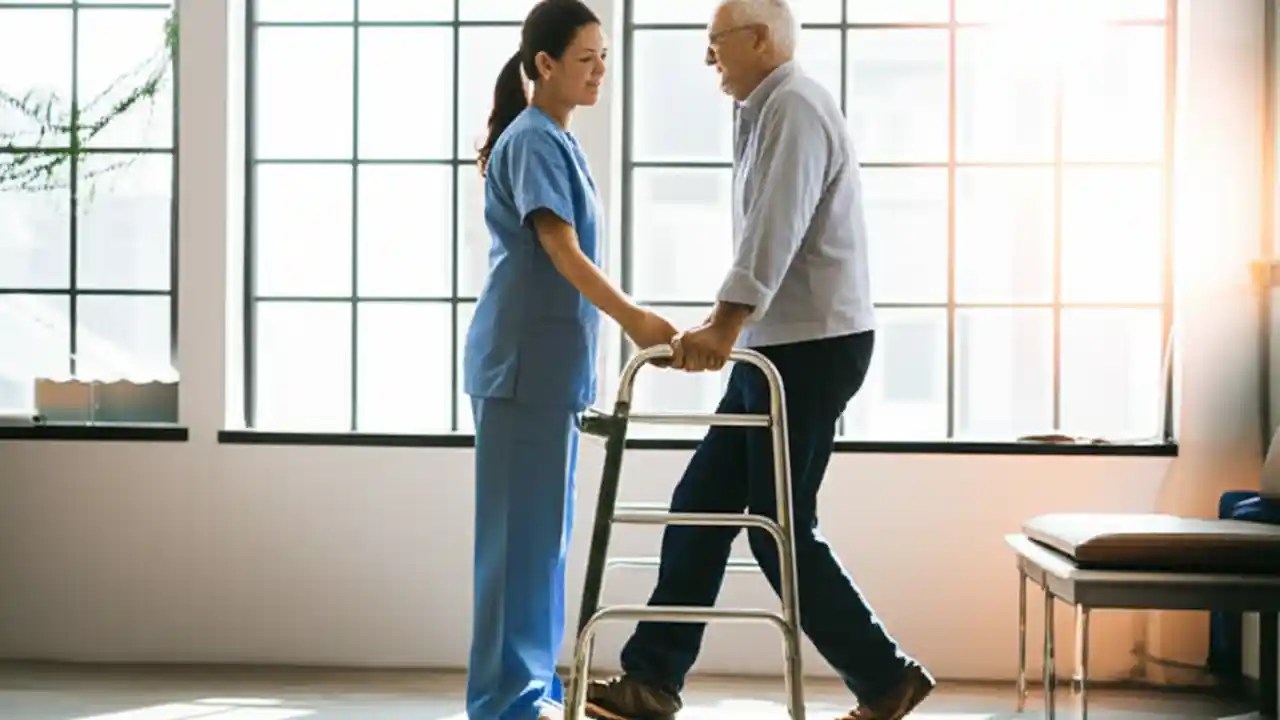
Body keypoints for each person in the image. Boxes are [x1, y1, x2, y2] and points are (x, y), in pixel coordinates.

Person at [583, 1, 935, 719]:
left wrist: (724, 323)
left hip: (811, 345)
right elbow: (765, 231)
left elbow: (777, 223)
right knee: (704, 505)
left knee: (779, 525)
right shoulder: (763, 107)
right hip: (778, 344)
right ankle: (652, 680)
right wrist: (732, 330)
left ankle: (884, 675)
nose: (709, 59)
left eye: (716, 44)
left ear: (759, 39)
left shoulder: (796, 106)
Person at [463, 2, 678, 719]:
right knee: (516, 546)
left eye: (604, 57)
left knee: (542, 544)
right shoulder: (531, 140)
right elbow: (561, 251)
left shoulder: (557, 140)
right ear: (544, 64)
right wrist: (637, 321)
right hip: (519, 369)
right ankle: (506, 701)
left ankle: (533, 689)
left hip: (548, 373)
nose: (598, 72)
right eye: (585, 59)